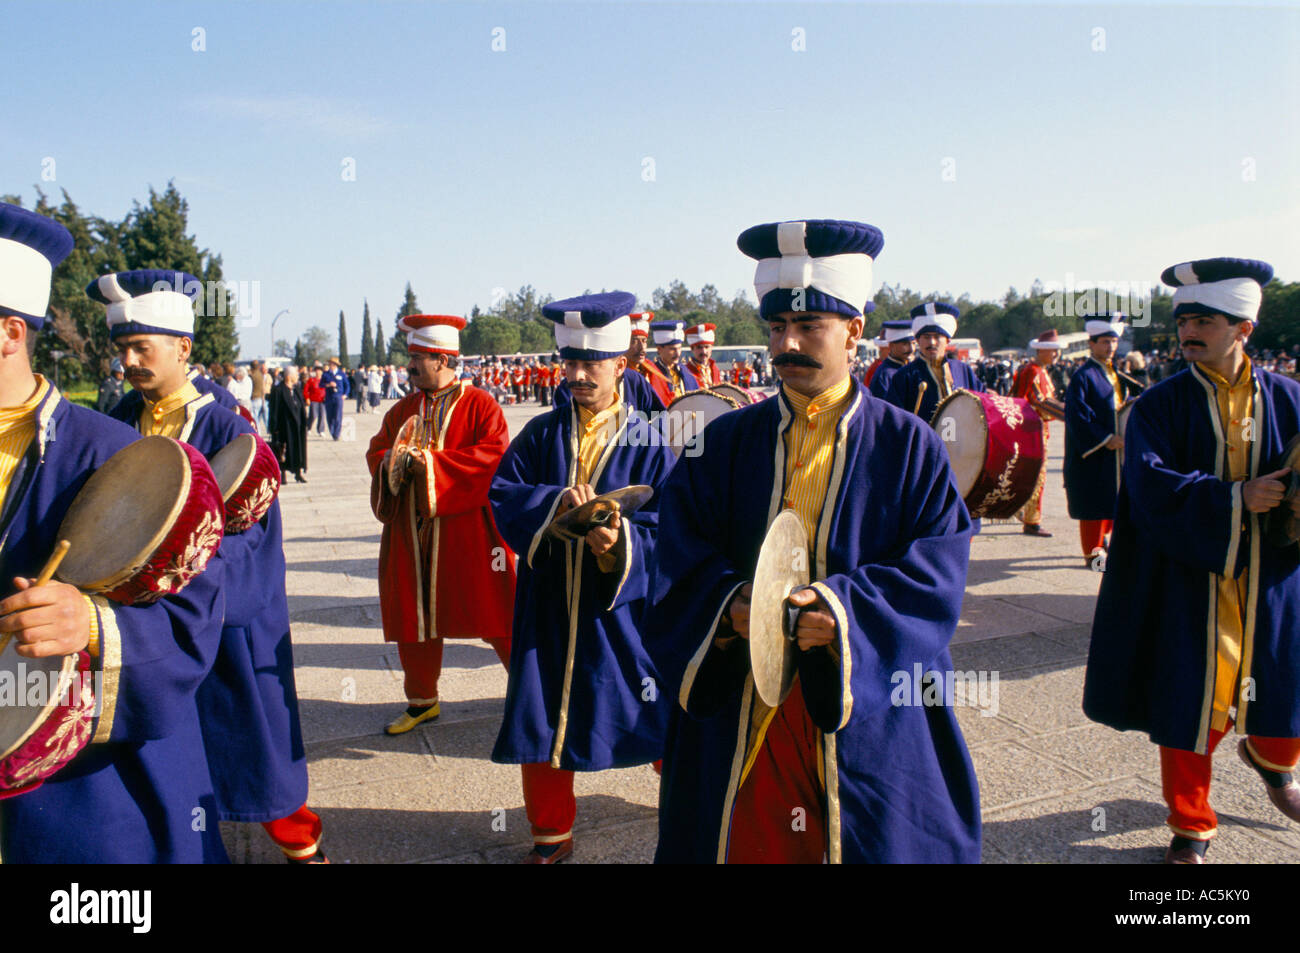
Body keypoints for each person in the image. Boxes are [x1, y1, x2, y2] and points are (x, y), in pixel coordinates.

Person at [647, 218, 980, 863]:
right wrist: (727, 606)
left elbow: (937, 570)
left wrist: (841, 612)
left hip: (860, 693)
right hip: (742, 693)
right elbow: (678, 550)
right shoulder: (724, 441)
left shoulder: (909, 444)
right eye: (776, 329)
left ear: (855, 331)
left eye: (809, 328)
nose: (788, 344)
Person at [0, 203, 228, 863]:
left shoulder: (108, 449)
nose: (127, 362)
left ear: (11, 332)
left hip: (83, 800)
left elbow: (199, 610)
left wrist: (94, 624)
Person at [94, 268, 325, 863]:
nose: (130, 361)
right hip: (145, 628)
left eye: (142, 347)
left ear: (183, 348)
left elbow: (253, 538)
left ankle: (306, 851)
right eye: (123, 348)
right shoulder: (117, 422)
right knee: (167, 759)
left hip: (222, 624)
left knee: (254, 758)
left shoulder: (229, 428)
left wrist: (175, 576)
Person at [1083, 257, 1300, 864]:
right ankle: (1190, 824)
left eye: (1205, 320)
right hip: (1191, 580)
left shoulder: (1291, 399)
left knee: (1283, 688)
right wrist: (1235, 497)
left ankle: (1273, 761)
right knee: (1190, 703)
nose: (1188, 332)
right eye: (1184, 321)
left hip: (1273, 579)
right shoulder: (1158, 405)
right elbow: (1149, 488)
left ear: (1244, 329)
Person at [490, 292, 675, 863]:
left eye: (589, 364)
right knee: (541, 722)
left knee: (656, 708)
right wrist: (557, 511)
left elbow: (678, 521)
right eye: (567, 363)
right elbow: (503, 494)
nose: (574, 375)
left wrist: (624, 543)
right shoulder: (541, 434)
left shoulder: (656, 435)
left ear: (621, 362)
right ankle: (550, 835)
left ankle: (692, 804)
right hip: (548, 606)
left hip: (625, 610)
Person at [366, 314, 515, 735]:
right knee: (413, 619)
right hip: (409, 531)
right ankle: (421, 700)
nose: (410, 366)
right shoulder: (401, 409)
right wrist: (392, 465)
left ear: (444, 359)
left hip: (467, 529)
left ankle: (529, 693)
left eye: (418, 358)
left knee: (496, 612)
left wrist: (428, 466)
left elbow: (494, 458)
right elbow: (378, 452)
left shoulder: (481, 405)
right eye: (410, 357)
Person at [1063, 315, 1142, 567]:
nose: (1110, 347)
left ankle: (1106, 541)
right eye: (1105, 342)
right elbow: (1078, 416)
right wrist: (1106, 438)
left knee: (1112, 499)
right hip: (1094, 450)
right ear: (1092, 343)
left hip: (1114, 450)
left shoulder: (1114, 373)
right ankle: (1093, 554)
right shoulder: (1083, 376)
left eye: (1114, 342)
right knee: (1093, 504)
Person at [882, 302, 984, 420]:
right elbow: (894, 420)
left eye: (937, 336)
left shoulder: (963, 370)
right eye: (926, 337)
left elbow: (982, 404)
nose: (932, 343)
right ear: (918, 340)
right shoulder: (904, 376)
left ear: (948, 340)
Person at [1012, 329, 1064, 537]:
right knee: (1036, 475)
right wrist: (1066, 412)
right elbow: (1038, 401)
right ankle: (1031, 520)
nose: (1056, 355)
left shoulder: (1037, 370)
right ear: (1042, 350)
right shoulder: (1033, 371)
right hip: (1031, 430)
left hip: (1038, 428)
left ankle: (1025, 513)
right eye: (1053, 351)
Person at [625, 312, 672, 410]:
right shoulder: (618, 374)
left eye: (644, 341)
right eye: (634, 341)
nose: (641, 348)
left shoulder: (651, 369)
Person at [269, 366, 309, 482]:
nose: (297, 377)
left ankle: (298, 472)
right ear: (289, 377)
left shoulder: (296, 389)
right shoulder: (278, 390)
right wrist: (273, 427)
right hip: (284, 426)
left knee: (298, 449)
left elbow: (300, 405)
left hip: (297, 426)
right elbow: (274, 409)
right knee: (282, 451)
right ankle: (282, 474)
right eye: (295, 375)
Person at [649, 320, 700, 399]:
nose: (678, 353)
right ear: (659, 349)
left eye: (679, 348)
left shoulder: (686, 372)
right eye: (672, 349)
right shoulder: (653, 374)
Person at [866, 320, 916, 400]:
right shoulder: (884, 375)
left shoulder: (913, 370)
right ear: (891, 345)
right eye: (905, 344)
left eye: (913, 343)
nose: (911, 349)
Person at [684, 322, 722, 387]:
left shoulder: (715, 370)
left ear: (711, 348)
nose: (703, 351)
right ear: (692, 349)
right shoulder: (686, 371)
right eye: (699, 347)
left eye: (707, 347)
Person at [321, 357, 349, 440]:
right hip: (329, 397)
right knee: (329, 416)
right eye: (330, 363)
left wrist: (345, 395)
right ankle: (332, 432)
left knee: (338, 416)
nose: (331, 365)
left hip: (338, 397)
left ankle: (336, 434)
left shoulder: (341, 374)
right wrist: (329, 385)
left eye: (333, 364)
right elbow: (321, 385)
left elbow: (347, 385)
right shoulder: (325, 374)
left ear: (336, 365)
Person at [249, 360, 269, 433]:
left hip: (254, 398)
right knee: (259, 418)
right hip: (260, 398)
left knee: (255, 419)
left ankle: (258, 433)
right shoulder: (261, 375)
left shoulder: (252, 376)